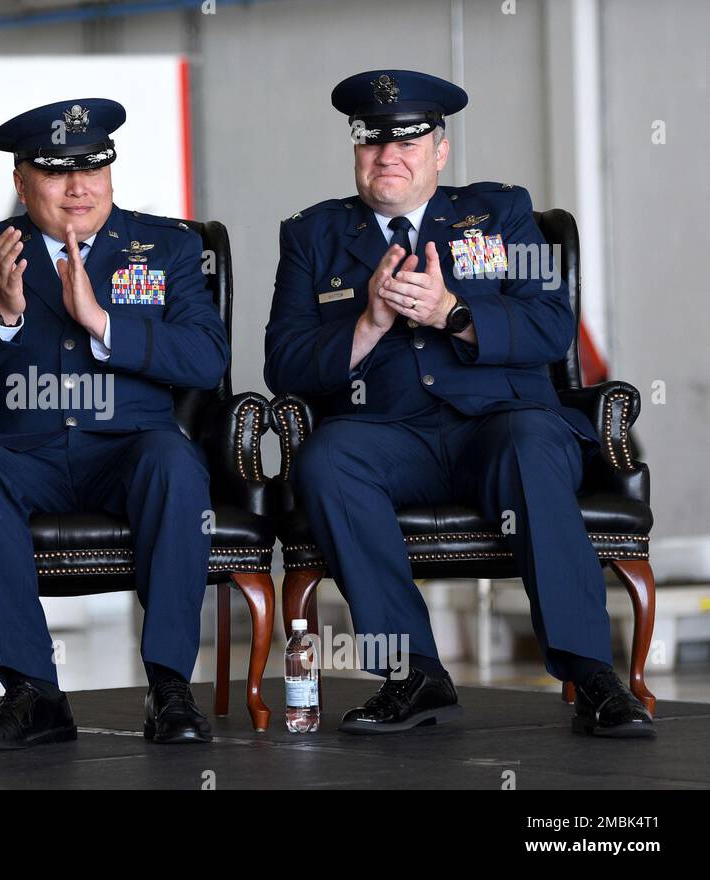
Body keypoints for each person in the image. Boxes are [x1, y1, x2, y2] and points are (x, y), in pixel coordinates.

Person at [264, 70, 653, 738]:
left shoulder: (500, 214)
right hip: (386, 435)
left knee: (532, 448)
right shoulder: (314, 235)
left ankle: (592, 674)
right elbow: (284, 364)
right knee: (327, 460)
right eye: (371, 142)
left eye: (408, 142)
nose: (388, 155)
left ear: (439, 152)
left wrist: (455, 312)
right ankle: (414, 674)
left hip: (499, 424)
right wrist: (366, 325)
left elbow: (550, 326)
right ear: (355, 150)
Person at [0, 98, 230, 750]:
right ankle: (35, 693)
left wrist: (104, 323)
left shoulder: (169, 247)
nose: (79, 186)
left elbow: (207, 361)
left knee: (175, 463)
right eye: (58, 172)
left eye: (93, 167)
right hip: (21, 450)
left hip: (129, 447)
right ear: (21, 181)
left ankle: (170, 687)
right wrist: (0, 315)